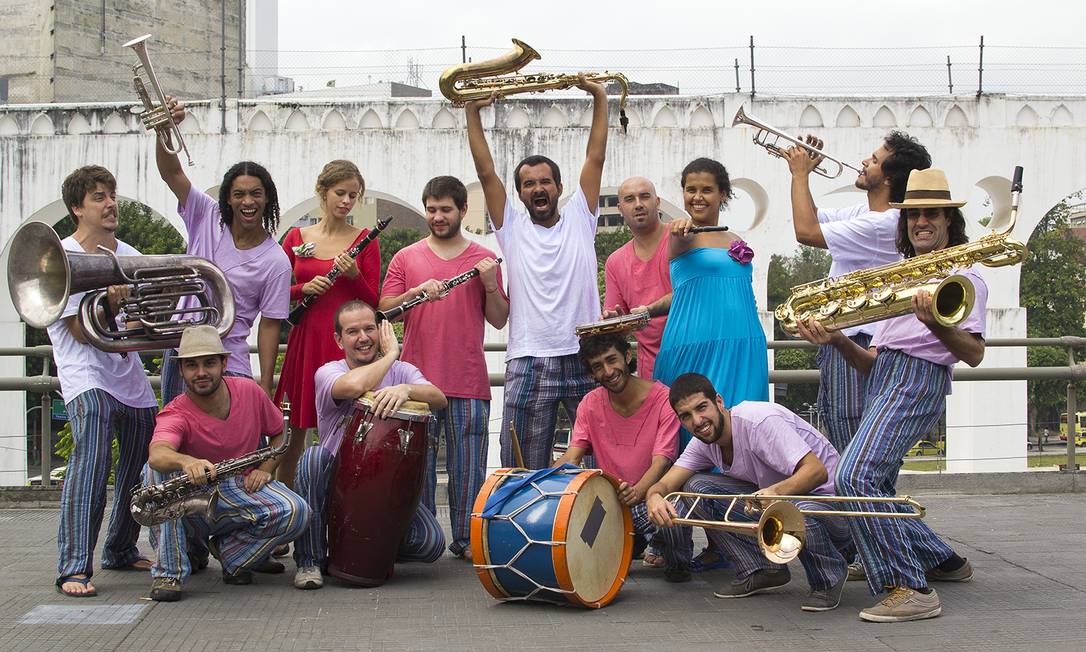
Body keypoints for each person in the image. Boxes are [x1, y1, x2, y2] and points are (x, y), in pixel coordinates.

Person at [797, 168, 983, 622]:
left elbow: (974, 353)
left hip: (918, 379)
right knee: (871, 481)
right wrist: (839, 339)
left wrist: (937, 323)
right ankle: (942, 560)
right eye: (913, 214)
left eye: (931, 214)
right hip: (887, 376)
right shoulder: (898, 275)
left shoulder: (965, 275)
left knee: (855, 476)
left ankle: (908, 587)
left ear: (948, 222)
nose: (921, 221)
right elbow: (875, 359)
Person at [465, 79, 611, 469]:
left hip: (585, 353)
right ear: (520, 194)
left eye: (545, 181)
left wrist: (599, 96)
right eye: (529, 184)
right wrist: (471, 112)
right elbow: (485, 172)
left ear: (560, 187)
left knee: (599, 462)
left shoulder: (582, 217)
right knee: (521, 465)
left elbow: (595, 157)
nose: (538, 188)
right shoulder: (511, 227)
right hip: (530, 358)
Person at [642, 157, 768, 572]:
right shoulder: (678, 236)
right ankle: (671, 541)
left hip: (741, 345)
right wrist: (678, 228)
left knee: (737, 438)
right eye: (691, 189)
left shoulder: (735, 238)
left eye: (707, 189)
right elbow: (678, 244)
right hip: (692, 346)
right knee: (686, 440)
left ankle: (730, 543)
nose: (697, 197)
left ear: (723, 195)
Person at [380, 175, 508, 560]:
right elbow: (384, 309)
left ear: (462, 210)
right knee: (415, 467)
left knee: (468, 469)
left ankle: (468, 539)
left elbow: (500, 319)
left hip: (468, 381)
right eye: (432, 209)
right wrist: (417, 292)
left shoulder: (482, 259)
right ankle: (420, 538)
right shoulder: (407, 257)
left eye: (445, 209)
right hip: (416, 383)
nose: (437, 216)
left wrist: (488, 284)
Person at [645, 373, 852, 612]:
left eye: (702, 408)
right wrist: (654, 497)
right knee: (697, 487)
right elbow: (666, 484)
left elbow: (817, 472)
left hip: (833, 510)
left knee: (792, 508)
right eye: (686, 416)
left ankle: (828, 577)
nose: (697, 421)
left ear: (719, 401)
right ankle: (762, 568)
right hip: (782, 502)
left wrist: (776, 492)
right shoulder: (703, 442)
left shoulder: (758, 421)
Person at [781, 131, 931, 454]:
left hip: (858, 342)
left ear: (888, 178)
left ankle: (868, 506)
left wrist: (800, 173)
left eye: (874, 160)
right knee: (841, 434)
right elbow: (813, 216)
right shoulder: (865, 215)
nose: (864, 161)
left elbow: (805, 232)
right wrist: (802, 171)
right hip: (843, 340)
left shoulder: (887, 224)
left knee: (852, 443)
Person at [50, 166, 159, 598]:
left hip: (126, 373)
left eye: (112, 194)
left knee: (142, 457)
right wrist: (111, 309)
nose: (111, 203)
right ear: (78, 208)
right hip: (85, 374)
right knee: (92, 462)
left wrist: (136, 314)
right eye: (99, 197)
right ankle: (73, 565)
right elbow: (79, 331)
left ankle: (120, 547)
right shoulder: (61, 256)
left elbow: (143, 325)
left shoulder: (128, 253)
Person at [143, 325, 311, 602]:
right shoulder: (175, 410)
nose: (201, 373)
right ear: (181, 371)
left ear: (224, 363)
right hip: (191, 501)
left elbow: (280, 433)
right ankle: (169, 571)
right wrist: (186, 461)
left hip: (239, 486)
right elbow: (157, 454)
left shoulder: (249, 391)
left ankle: (231, 555)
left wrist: (265, 468)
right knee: (157, 470)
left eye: (209, 363)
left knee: (297, 511)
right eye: (191, 366)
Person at [292, 300, 448, 589]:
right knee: (312, 458)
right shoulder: (328, 372)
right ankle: (309, 560)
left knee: (430, 544)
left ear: (380, 330)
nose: (363, 338)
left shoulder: (403, 372)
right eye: (353, 332)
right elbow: (352, 387)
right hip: (336, 482)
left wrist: (407, 388)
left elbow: (439, 397)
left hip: (383, 486)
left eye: (369, 329)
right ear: (339, 340)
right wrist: (390, 355)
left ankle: (368, 549)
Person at [155, 97, 291, 405]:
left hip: (230, 361)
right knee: (178, 441)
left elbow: (269, 327)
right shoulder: (207, 214)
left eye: (256, 194)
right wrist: (163, 129)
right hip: (182, 351)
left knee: (232, 449)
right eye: (239, 194)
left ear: (267, 199)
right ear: (227, 199)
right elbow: (172, 174)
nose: (248, 202)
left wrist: (266, 390)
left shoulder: (276, 261)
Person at [274, 160, 379, 496]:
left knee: (341, 433)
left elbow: (374, 300)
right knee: (294, 433)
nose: (346, 201)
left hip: (343, 347)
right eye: (340, 193)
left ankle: (336, 515)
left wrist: (353, 276)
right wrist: (300, 290)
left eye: (353, 195)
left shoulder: (365, 240)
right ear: (322, 192)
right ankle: (287, 515)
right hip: (306, 341)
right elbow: (272, 289)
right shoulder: (295, 237)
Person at [552, 333, 690, 581]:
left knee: (674, 514)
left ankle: (670, 553)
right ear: (592, 374)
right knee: (583, 562)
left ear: (627, 356)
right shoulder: (589, 403)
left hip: (652, 497)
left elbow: (662, 460)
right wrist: (537, 479)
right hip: (612, 505)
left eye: (611, 360)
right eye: (597, 367)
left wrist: (638, 491)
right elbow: (572, 456)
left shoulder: (664, 399)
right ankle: (630, 546)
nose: (607, 371)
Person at [600, 176, 672, 381]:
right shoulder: (615, 261)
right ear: (620, 208)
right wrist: (613, 322)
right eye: (630, 199)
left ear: (657, 202)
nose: (638, 204)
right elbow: (619, 326)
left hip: (695, 353)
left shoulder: (680, 238)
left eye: (645, 197)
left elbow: (693, 294)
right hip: (652, 369)